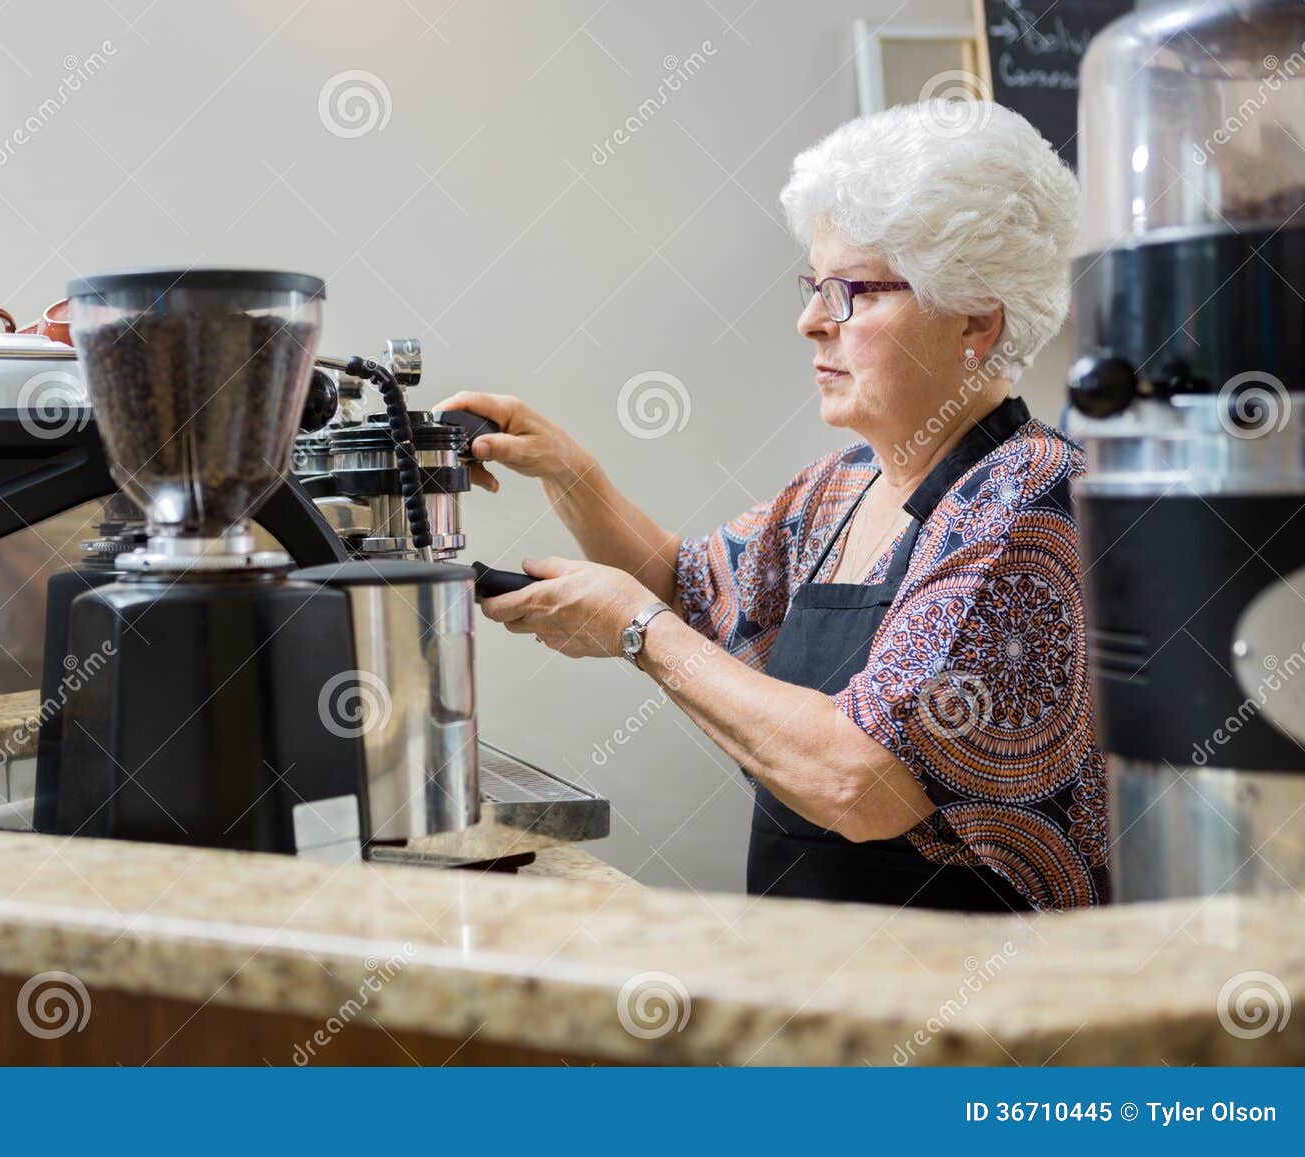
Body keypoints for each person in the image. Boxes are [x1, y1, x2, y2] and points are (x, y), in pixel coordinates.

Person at [437, 100, 1106, 910]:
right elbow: (692, 589)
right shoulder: (842, 485)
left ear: (974, 318)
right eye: (814, 285)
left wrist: (637, 634)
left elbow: (861, 780)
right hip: (825, 981)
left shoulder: (1022, 508)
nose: (809, 321)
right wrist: (573, 476)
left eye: (850, 292)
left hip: (973, 1005)